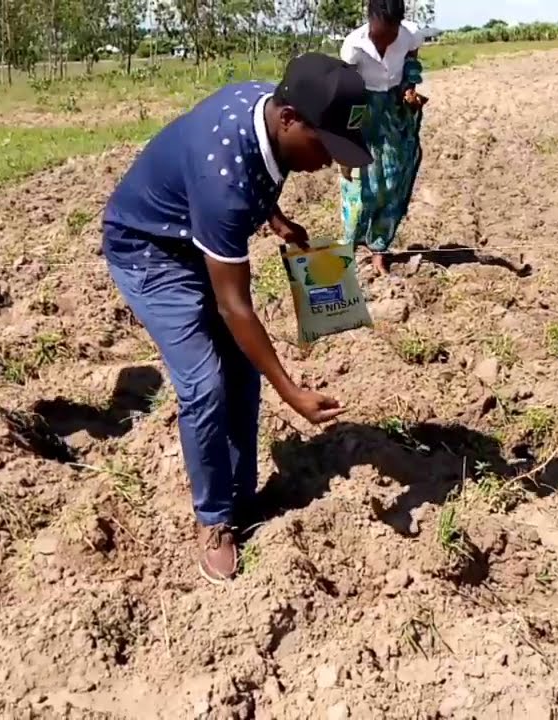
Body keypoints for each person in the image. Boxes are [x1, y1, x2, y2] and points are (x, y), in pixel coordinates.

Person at [103, 53, 373, 584]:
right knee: (205, 383)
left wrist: (273, 217)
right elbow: (236, 307)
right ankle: (214, 520)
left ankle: (242, 495)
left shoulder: (262, 104)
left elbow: (259, 169)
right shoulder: (223, 180)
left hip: (195, 232)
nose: (329, 163)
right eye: (325, 146)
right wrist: (292, 391)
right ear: (291, 117)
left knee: (242, 369)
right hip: (150, 251)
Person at [339, 0, 428, 274]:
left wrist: (408, 89)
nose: (388, 41)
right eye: (381, 34)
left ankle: (379, 248)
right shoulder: (354, 46)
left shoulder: (410, 34)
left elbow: (411, 58)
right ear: (370, 20)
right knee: (359, 182)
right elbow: (349, 95)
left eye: (393, 34)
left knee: (392, 180)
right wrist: (347, 143)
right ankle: (348, 250)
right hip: (363, 109)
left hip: (394, 112)